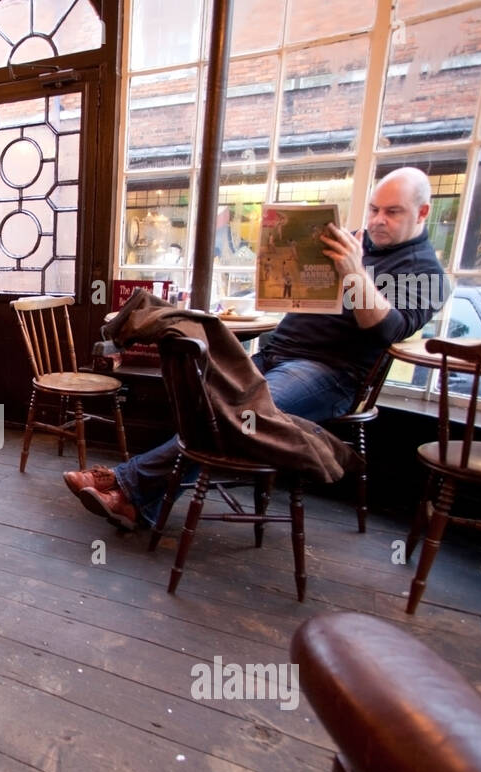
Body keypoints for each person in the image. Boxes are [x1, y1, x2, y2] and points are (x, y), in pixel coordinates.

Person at [65, 166, 450, 530]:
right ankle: (139, 502)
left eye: (393, 212)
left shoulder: (424, 272)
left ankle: (129, 483)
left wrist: (353, 270)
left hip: (329, 373)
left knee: (236, 413)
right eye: (374, 209)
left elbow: (387, 330)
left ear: (423, 212)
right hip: (278, 351)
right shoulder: (353, 240)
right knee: (202, 398)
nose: (378, 220)